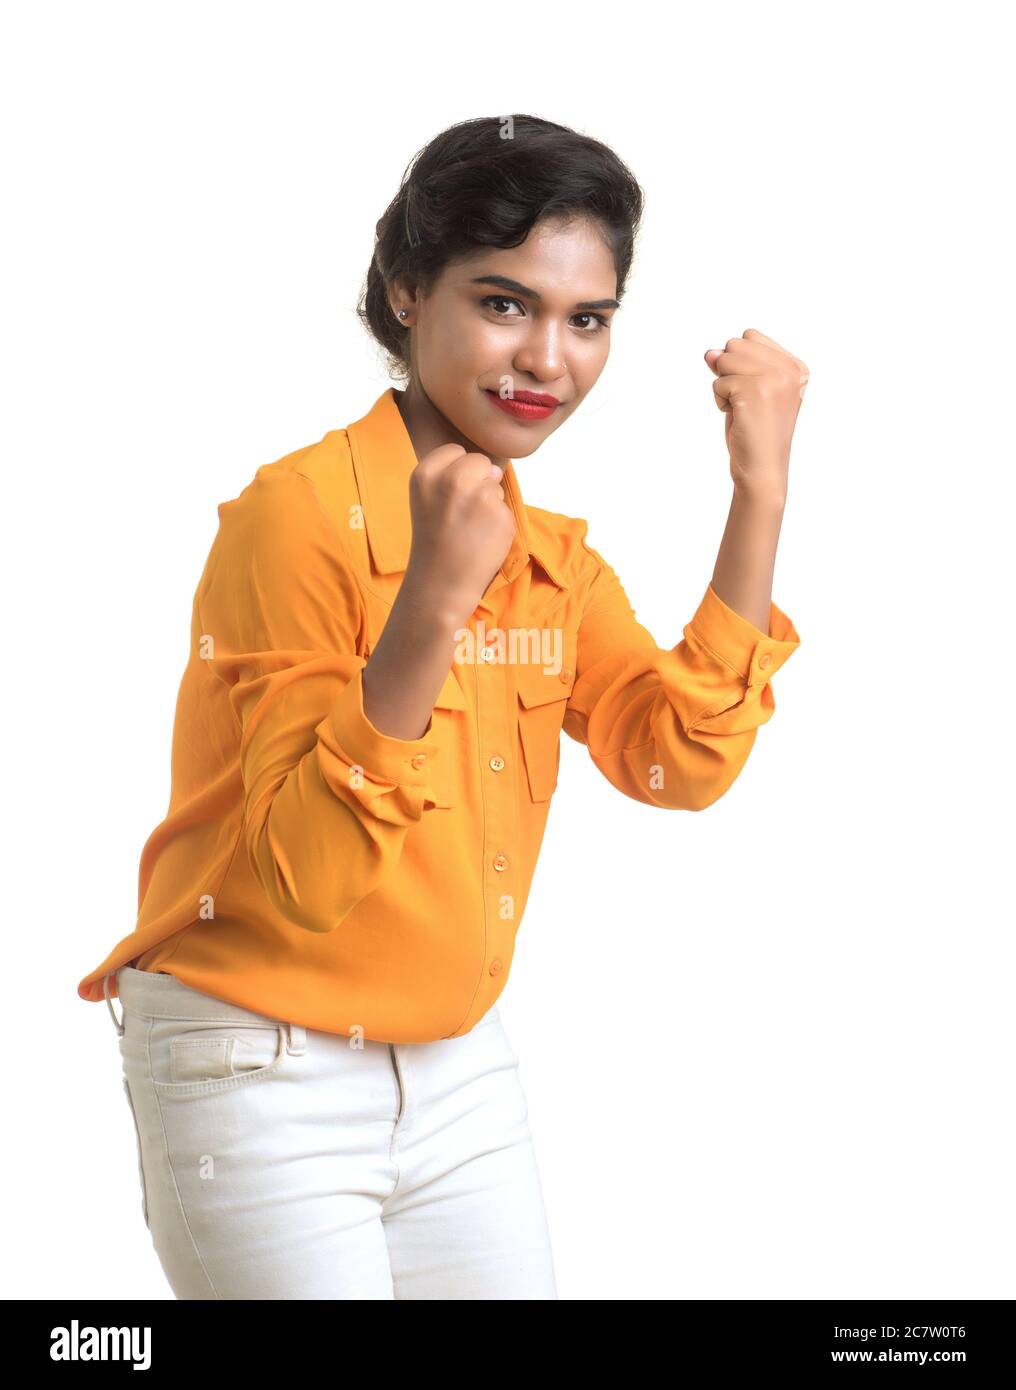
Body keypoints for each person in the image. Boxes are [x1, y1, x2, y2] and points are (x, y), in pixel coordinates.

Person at [79, 113, 805, 1300]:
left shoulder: (550, 561)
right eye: (504, 303)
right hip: (255, 1060)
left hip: (457, 1061)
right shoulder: (297, 516)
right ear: (408, 293)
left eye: (587, 319)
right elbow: (309, 875)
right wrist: (429, 604)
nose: (548, 360)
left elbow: (678, 762)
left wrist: (758, 490)